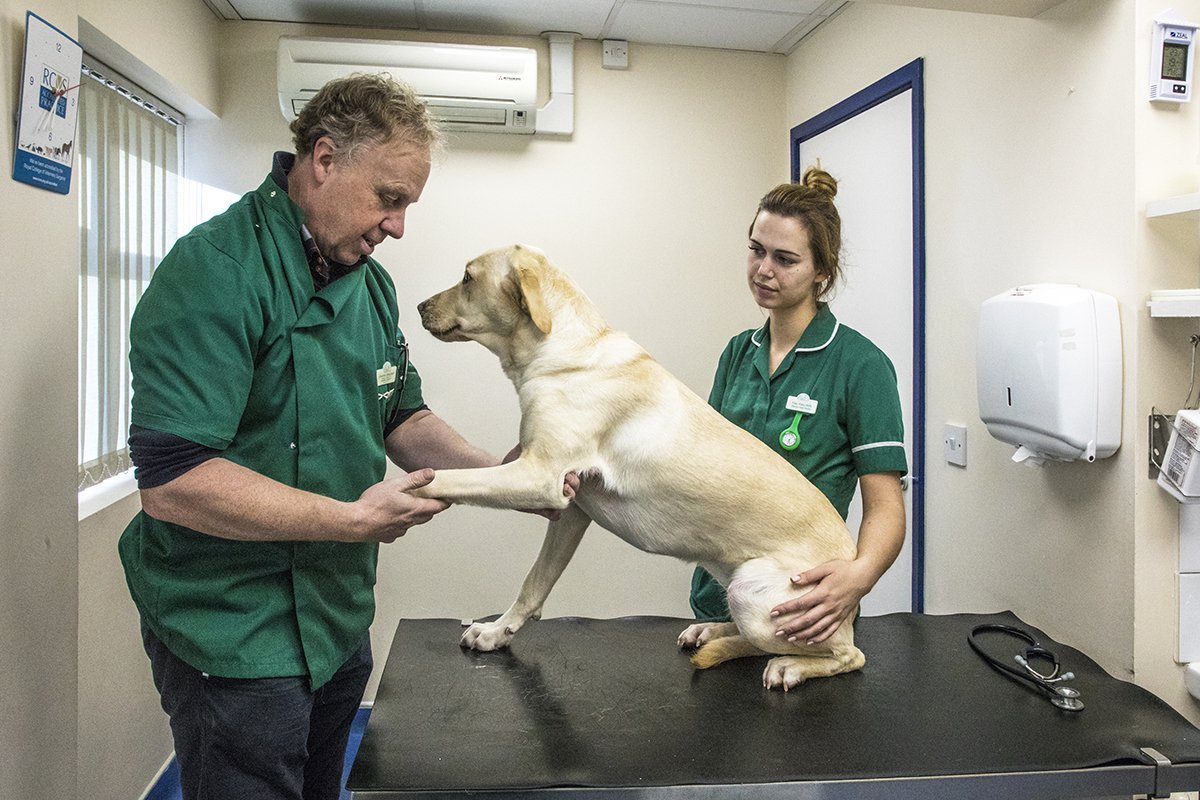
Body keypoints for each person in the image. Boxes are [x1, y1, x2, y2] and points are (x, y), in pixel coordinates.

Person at [119, 73, 569, 800]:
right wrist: (354, 519)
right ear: (323, 160)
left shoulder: (370, 285)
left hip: (334, 615)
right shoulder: (215, 271)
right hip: (233, 627)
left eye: (408, 206)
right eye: (389, 199)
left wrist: (504, 479)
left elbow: (402, 417)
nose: (398, 226)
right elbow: (173, 482)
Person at [690, 166, 908, 646]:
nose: (764, 270)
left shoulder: (861, 366)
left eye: (785, 259)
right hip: (719, 600)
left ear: (821, 273)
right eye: (756, 250)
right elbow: (704, 466)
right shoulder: (736, 354)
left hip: (804, 609)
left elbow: (886, 507)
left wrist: (861, 574)